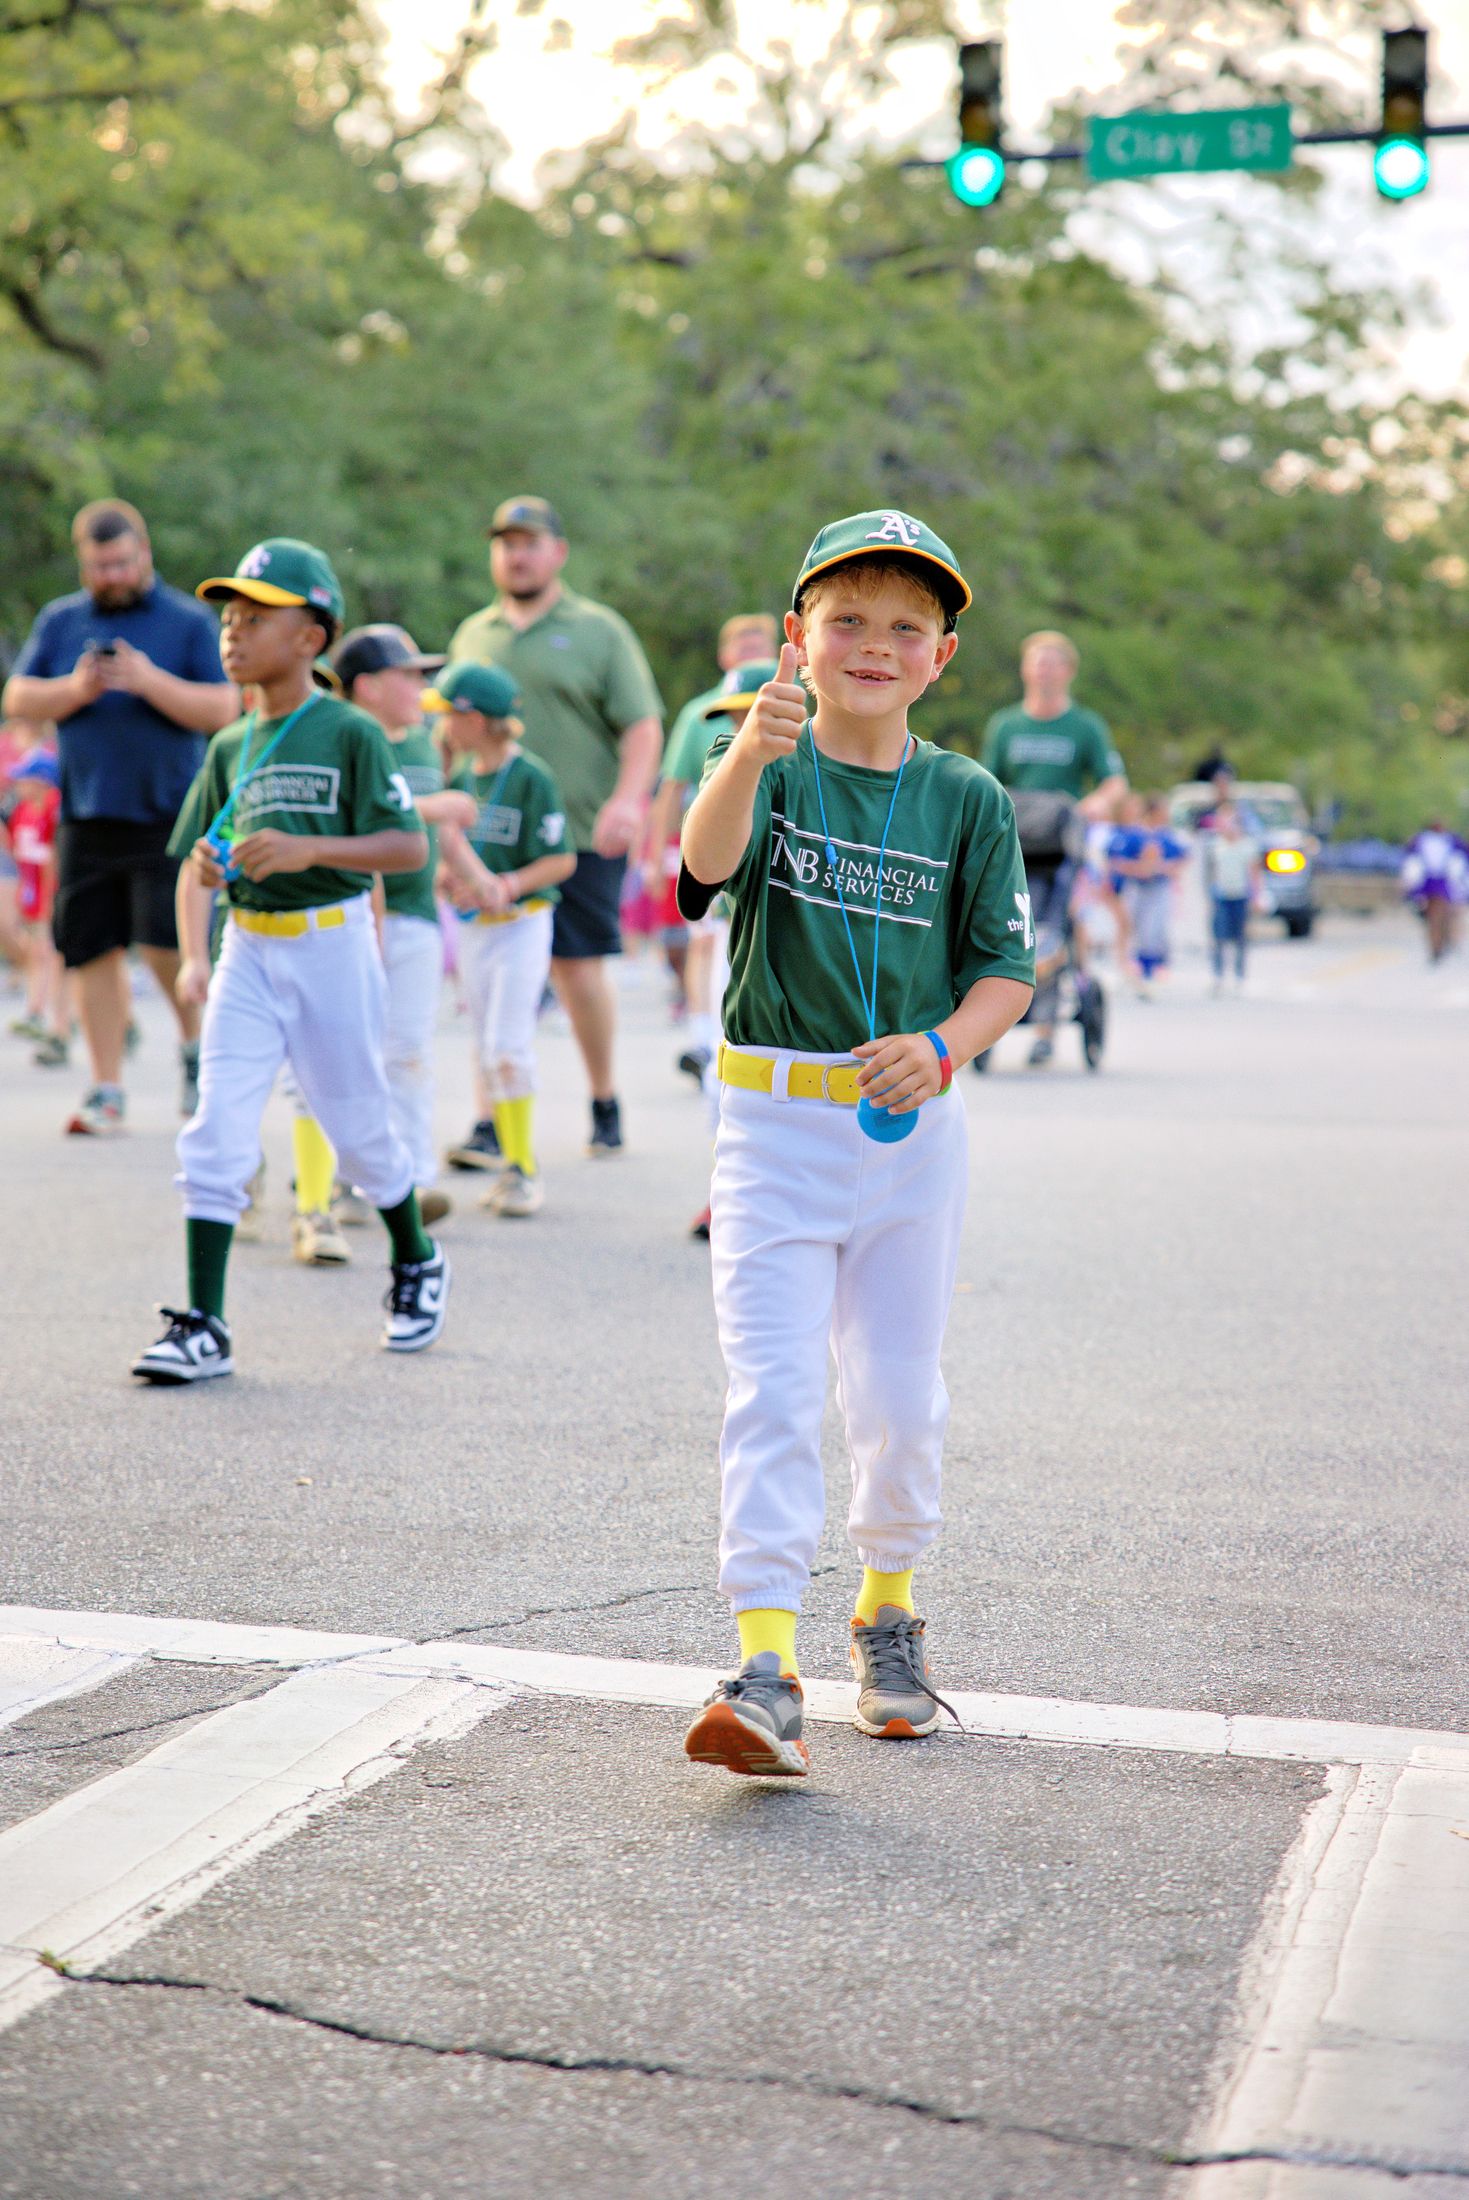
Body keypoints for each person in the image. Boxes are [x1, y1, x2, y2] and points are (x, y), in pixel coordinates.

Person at [677, 510, 1034, 1780]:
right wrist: (741, 756)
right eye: (845, 620)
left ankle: (887, 1608)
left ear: (939, 656)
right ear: (798, 639)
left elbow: (1005, 971)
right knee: (769, 1388)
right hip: (771, 1126)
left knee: (894, 1391)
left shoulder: (965, 796)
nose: (872, 644)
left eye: (904, 626)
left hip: (906, 1134)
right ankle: (762, 1661)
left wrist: (942, 1046)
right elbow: (700, 869)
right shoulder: (762, 757)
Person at [131, 538, 449, 1385]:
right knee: (214, 1128)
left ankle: (415, 1257)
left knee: (358, 1131)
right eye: (228, 617)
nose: (232, 631)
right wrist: (206, 878)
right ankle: (205, 1324)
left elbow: (406, 845)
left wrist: (309, 850)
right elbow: (199, 853)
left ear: (311, 637)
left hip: (331, 944)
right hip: (250, 949)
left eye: (254, 616)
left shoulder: (347, 728)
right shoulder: (232, 743)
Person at [2, 500, 238, 1134]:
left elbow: (225, 707)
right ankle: (106, 1086)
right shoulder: (62, 620)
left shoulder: (187, 621)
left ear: (146, 554)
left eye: (122, 563)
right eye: (99, 566)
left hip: (169, 812)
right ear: (85, 563)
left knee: (167, 942)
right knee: (90, 949)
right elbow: (19, 696)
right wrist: (75, 690)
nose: (111, 575)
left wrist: (148, 680)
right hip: (85, 809)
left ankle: (193, 1049)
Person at [446, 496, 663, 1156]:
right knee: (485, 980)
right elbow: (448, 733)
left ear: (557, 553)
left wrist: (628, 801)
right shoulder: (474, 634)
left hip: (577, 831)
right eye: (505, 542)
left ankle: (603, 1099)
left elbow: (642, 724)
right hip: (489, 839)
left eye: (530, 542)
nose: (516, 554)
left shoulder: (599, 630)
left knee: (576, 970)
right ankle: (490, 1123)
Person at [328, 625, 475, 1233]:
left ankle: (412, 1179)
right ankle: (342, 1180)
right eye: (407, 673)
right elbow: (355, 820)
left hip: (414, 916)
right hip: (349, 917)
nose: (421, 685)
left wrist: (474, 875)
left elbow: (440, 832)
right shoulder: (340, 739)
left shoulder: (421, 743)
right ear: (365, 686)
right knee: (345, 1052)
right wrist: (437, 807)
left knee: (408, 1050)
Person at [429, 664, 576, 1216]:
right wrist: (452, 881)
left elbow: (561, 859)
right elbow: (456, 858)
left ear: (483, 719)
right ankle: (510, 1160)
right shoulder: (463, 776)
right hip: (476, 933)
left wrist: (509, 884)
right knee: (487, 1049)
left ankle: (523, 1171)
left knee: (507, 1048)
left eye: (453, 712)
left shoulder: (530, 775)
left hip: (522, 926)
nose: (444, 723)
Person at [643, 613, 779, 1086]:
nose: (750, 650)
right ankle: (702, 1034)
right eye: (742, 643)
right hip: (707, 838)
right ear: (724, 655)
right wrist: (656, 852)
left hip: (767, 843)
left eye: (759, 642)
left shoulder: (796, 708)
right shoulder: (704, 711)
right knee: (703, 938)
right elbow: (672, 786)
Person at [981, 630, 1126, 1066]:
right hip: (1015, 837)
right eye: (1037, 661)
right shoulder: (1006, 725)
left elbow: (1113, 781)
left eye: (1052, 662)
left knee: (1055, 917)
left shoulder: (1084, 726)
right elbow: (987, 780)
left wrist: (1094, 805)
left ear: (1067, 671)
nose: (1043, 670)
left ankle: (1045, 1024)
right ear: (1026, 669)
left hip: (1061, 839)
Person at [4, 749, 67, 1065]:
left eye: (26, 779)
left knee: (52, 955)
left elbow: (55, 855)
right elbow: (18, 854)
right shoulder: (23, 811)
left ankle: (55, 1022)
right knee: (40, 953)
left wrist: (48, 898)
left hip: (51, 893)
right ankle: (39, 1010)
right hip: (32, 892)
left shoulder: (54, 807)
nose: (19, 784)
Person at [1109, 792, 1189, 995]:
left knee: (1154, 929)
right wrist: (1140, 868)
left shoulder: (1164, 835)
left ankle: (1150, 970)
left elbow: (1182, 856)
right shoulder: (1135, 834)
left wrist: (1163, 867)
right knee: (1136, 928)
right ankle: (1134, 969)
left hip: (1158, 886)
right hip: (1137, 886)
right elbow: (1116, 861)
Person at [1203, 798, 1260, 993]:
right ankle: (1218, 975)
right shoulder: (1215, 845)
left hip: (1240, 895)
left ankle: (1240, 976)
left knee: (1240, 938)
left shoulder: (1247, 845)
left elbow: (1254, 873)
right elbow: (1210, 873)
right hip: (1221, 896)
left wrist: (1256, 897)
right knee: (1219, 937)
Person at [1400, 820, 1468, 963]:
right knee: (1436, 918)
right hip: (1434, 883)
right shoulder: (1430, 841)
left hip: (1439, 882)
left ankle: (1440, 943)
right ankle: (1437, 945)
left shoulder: (1443, 841)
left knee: (1439, 918)